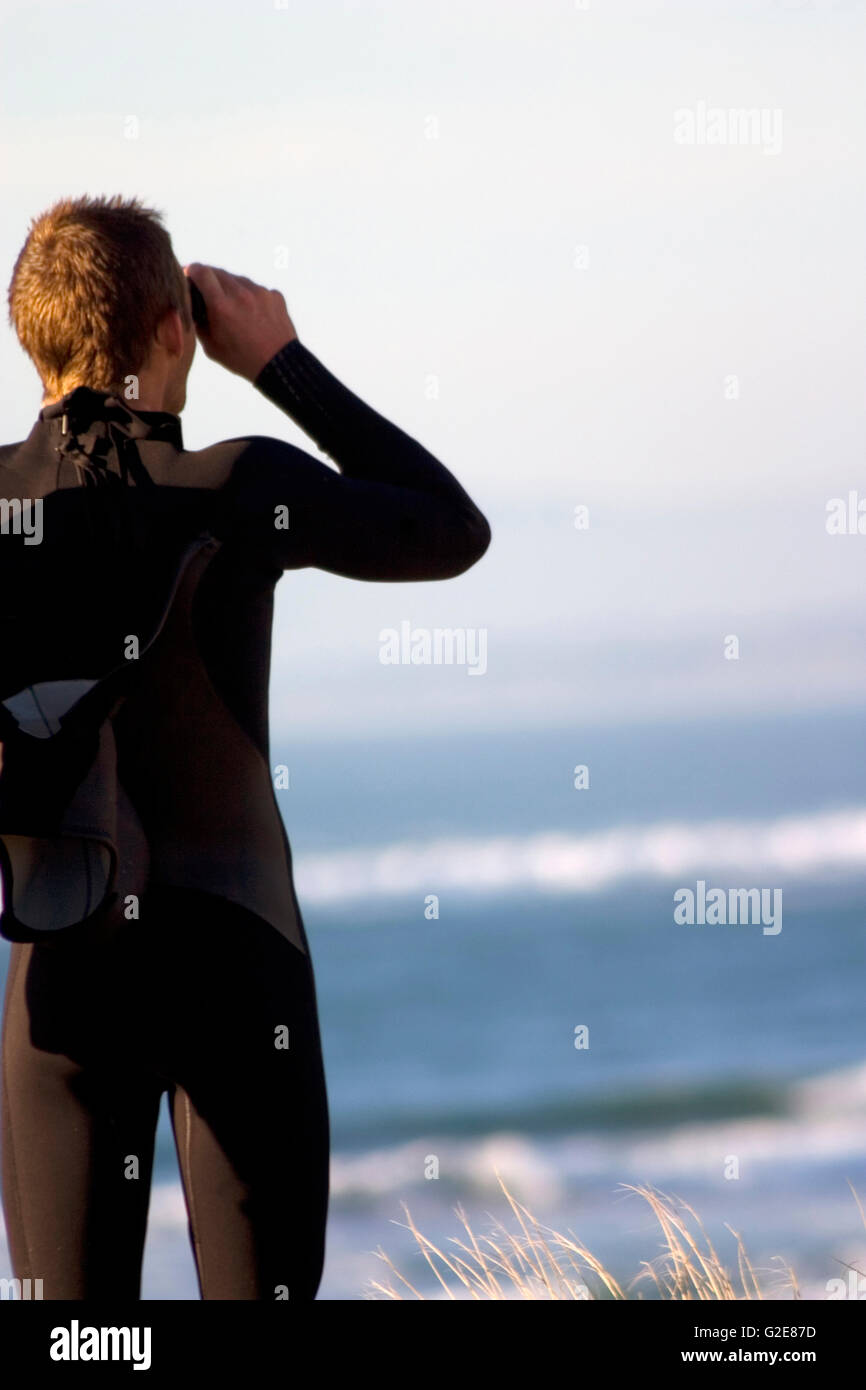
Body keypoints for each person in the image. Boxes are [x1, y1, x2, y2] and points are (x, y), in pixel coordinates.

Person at [0, 194, 490, 1300]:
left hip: (62, 960)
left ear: (28, 338)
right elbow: (448, 526)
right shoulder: (241, 485)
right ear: (179, 329)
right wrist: (279, 361)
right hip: (236, 958)